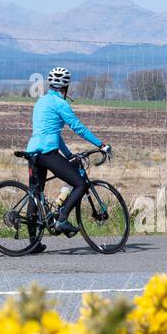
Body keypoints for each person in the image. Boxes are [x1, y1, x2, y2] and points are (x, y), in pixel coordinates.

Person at [25, 67, 111, 248]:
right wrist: (101, 145)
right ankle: (62, 219)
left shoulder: (41, 101)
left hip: (32, 152)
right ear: (66, 86)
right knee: (80, 183)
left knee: (35, 193)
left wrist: (69, 155)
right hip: (48, 153)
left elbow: (54, 133)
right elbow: (78, 127)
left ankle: (33, 243)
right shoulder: (61, 104)